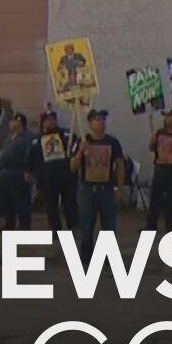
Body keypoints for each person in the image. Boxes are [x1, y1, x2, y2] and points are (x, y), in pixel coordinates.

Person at [68, 109, 125, 255]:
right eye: (98, 119)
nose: (101, 122)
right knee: (86, 226)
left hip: (106, 190)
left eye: (103, 119)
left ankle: (108, 257)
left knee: (109, 227)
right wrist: (81, 151)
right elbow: (72, 167)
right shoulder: (82, 141)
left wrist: (120, 188)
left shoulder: (112, 142)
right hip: (87, 190)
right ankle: (87, 256)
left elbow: (120, 165)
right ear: (90, 122)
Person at [28, 111, 77, 232]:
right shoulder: (36, 139)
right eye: (47, 119)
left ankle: (74, 227)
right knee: (51, 206)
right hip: (47, 179)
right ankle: (55, 230)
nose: (50, 122)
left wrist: (73, 145)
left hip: (65, 177)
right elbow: (30, 157)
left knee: (70, 204)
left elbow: (75, 148)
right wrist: (28, 171)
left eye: (52, 119)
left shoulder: (66, 135)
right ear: (43, 122)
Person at [0, 112, 35, 231]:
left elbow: (30, 155)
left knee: (22, 200)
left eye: (13, 121)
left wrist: (29, 171)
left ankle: (24, 224)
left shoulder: (27, 137)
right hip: (6, 173)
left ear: (19, 122)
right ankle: (9, 222)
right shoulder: (10, 137)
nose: (10, 123)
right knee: (7, 200)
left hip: (19, 172)